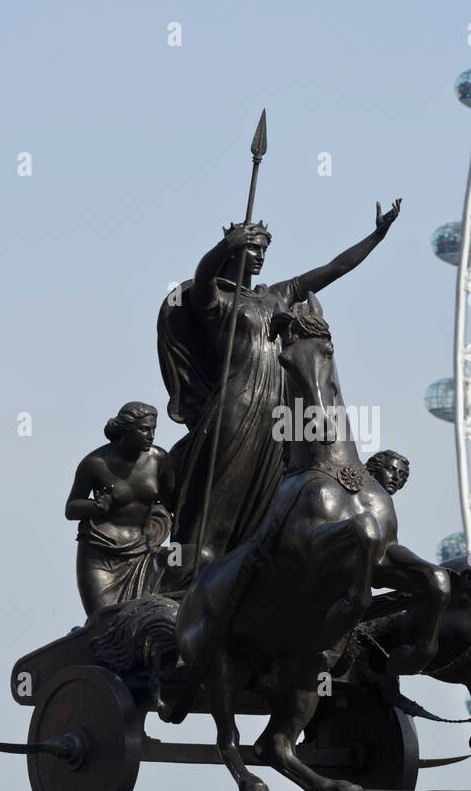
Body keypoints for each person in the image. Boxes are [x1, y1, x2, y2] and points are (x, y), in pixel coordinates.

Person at [157, 199, 402, 580]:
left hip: (281, 408)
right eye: (252, 249)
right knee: (224, 495)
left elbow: (334, 268)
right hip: (238, 406)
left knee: (278, 492)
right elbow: (202, 275)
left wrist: (377, 235)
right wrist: (226, 243)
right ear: (234, 250)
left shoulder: (278, 295)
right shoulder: (217, 300)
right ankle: (192, 574)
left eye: (264, 251)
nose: (259, 258)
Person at [65, 402, 175, 615]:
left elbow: (174, 502)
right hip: (101, 555)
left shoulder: (159, 459)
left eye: (153, 429)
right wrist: (97, 507)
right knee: (107, 623)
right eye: (143, 429)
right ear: (126, 430)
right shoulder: (94, 463)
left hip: (146, 550)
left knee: (202, 558)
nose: (150, 435)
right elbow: (71, 509)